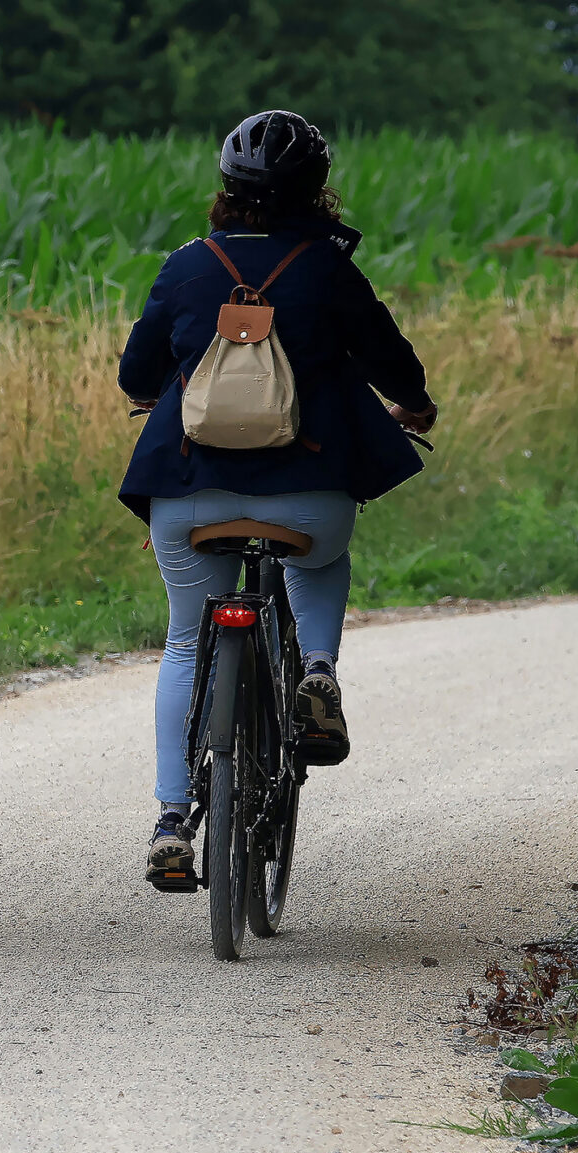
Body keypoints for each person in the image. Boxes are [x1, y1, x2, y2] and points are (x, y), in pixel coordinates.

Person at [116, 110, 437, 879]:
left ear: (226, 187)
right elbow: (393, 362)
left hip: (189, 490)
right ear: (319, 190)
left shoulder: (188, 264)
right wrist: (414, 407)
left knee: (188, 640)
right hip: (310, 492)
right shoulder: (330, 269)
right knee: (320, 559)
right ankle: (318, 670)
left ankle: (169, 818)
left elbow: (135, 374)